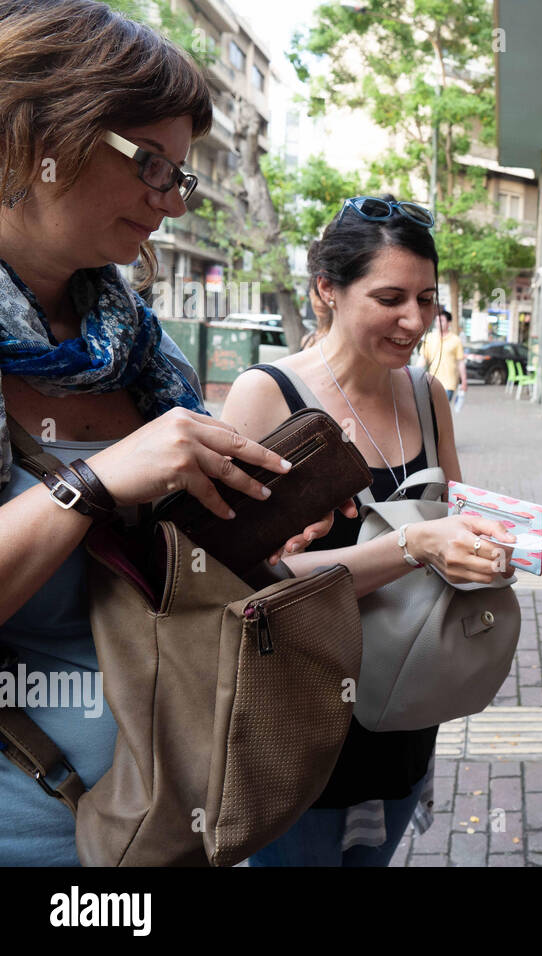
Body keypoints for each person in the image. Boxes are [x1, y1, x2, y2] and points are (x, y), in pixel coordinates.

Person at [0, 0, 340, 866]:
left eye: (179, 177)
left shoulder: (131, 340)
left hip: (177, 805)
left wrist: (250, 527)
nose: (169, 203)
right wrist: (101, 479)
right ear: (37, 135)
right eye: (148, 164)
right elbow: (105, 491)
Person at [220, 194, 516, 866]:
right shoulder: (268, 396)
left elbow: (455, 520)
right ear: (327, 289)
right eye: (389, 297)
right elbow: (234, 587)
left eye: (427, 298)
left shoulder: (425, 394)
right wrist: (410, 546)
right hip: (299, 728)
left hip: (407, 709)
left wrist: (492, 546)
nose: (415, 320)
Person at [422, 308, 466, 401]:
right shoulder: (429, 338)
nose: (438, 323)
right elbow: (423, 359)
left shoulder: (456, 340)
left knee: (440, 410)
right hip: (431, 382)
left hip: (449, 384)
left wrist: (464, 381)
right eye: (437, 320)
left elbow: (460, 362)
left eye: (441, 321)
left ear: (449, 323)